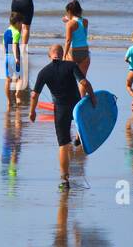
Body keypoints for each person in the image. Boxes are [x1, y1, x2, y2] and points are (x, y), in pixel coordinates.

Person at [29, 44, 96, 189]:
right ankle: (79, 136)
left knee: (63, 145)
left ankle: (65, 180)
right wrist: (93, 97)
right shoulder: (71, 66)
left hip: (61, 110)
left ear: (49, 55)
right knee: (80, 125)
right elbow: (83, 82)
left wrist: (32, 112)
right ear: (63, 55)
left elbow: (34, 95)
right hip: (77, 108)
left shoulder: (44, 72)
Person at [62, 0, 90, 77]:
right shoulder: (85, 21)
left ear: (69, 11)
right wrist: (68, 19)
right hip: (84, 50)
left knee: (69, 78)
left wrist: (64, 55)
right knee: (82, 79)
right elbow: (78, 22)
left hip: (73, 51)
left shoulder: (70, 24)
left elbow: (68, 40)